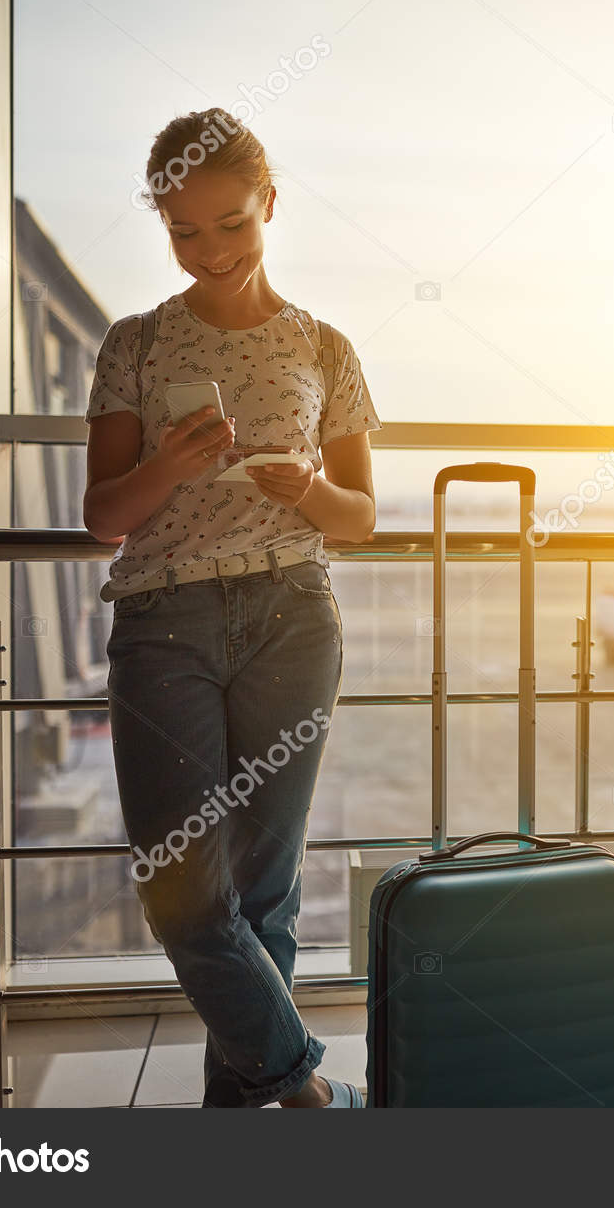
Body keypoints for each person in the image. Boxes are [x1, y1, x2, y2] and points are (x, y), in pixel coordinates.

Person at [83, 108, 380, 1107]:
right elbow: (102, 516)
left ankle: (244, 1116)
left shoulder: (325, 347)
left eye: (232, 223)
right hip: (162, 623)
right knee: (181, 889)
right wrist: (169, 465)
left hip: (293, 614)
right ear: (163, 223)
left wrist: (309, 489)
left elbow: (360, 517)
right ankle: (303, 1091)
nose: (209, 250)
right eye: (184, 230)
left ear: (270, 206)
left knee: (264, 891)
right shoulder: (134, 342)